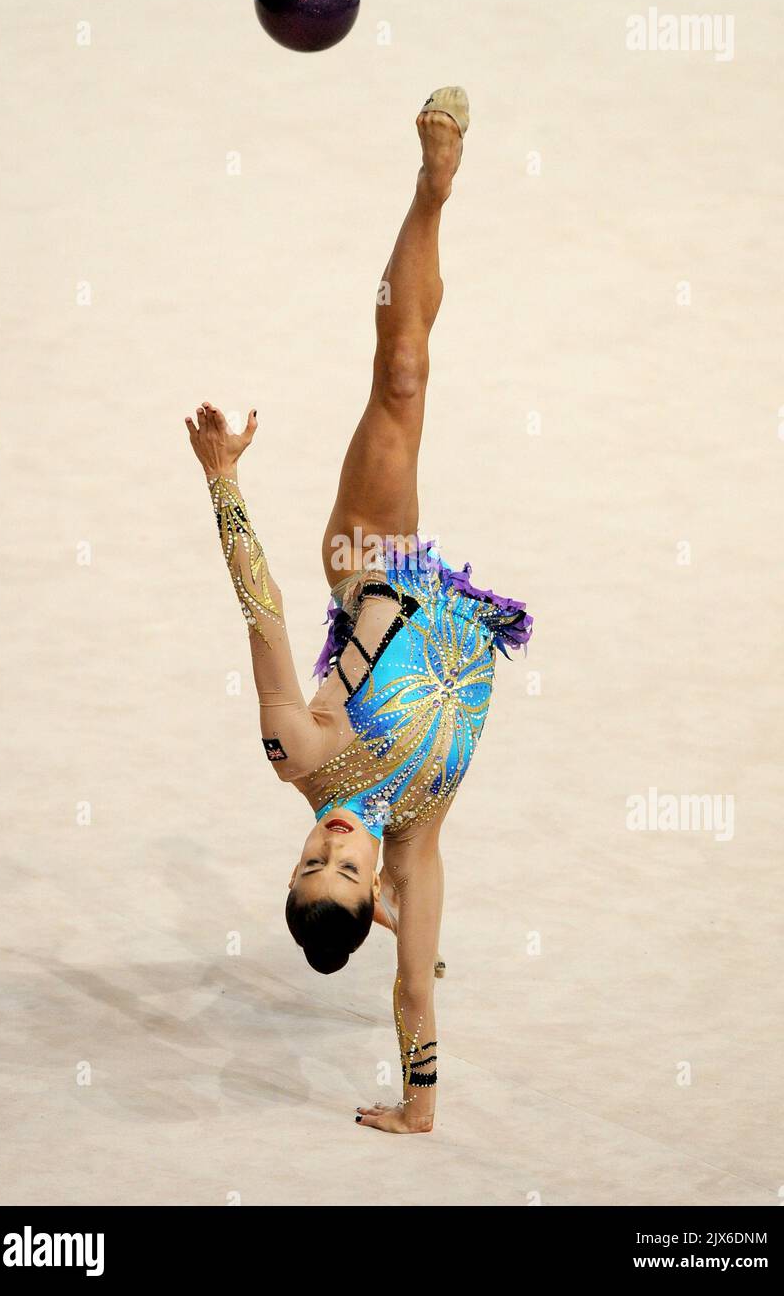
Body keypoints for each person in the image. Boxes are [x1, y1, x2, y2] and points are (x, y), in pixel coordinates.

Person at [184, 88, 531, 1133]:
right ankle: (431, 197)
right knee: (406, 380)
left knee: (402, 373)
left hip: (369, 564)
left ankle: (432, 192)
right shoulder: (414, 853)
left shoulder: (304, 751)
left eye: (309, 860)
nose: (331, 842)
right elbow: (416, 993)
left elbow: (261, 610)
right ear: (376, 891)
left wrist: (221, 476)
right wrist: (416, 1107)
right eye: (345, 866)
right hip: (449, 604)